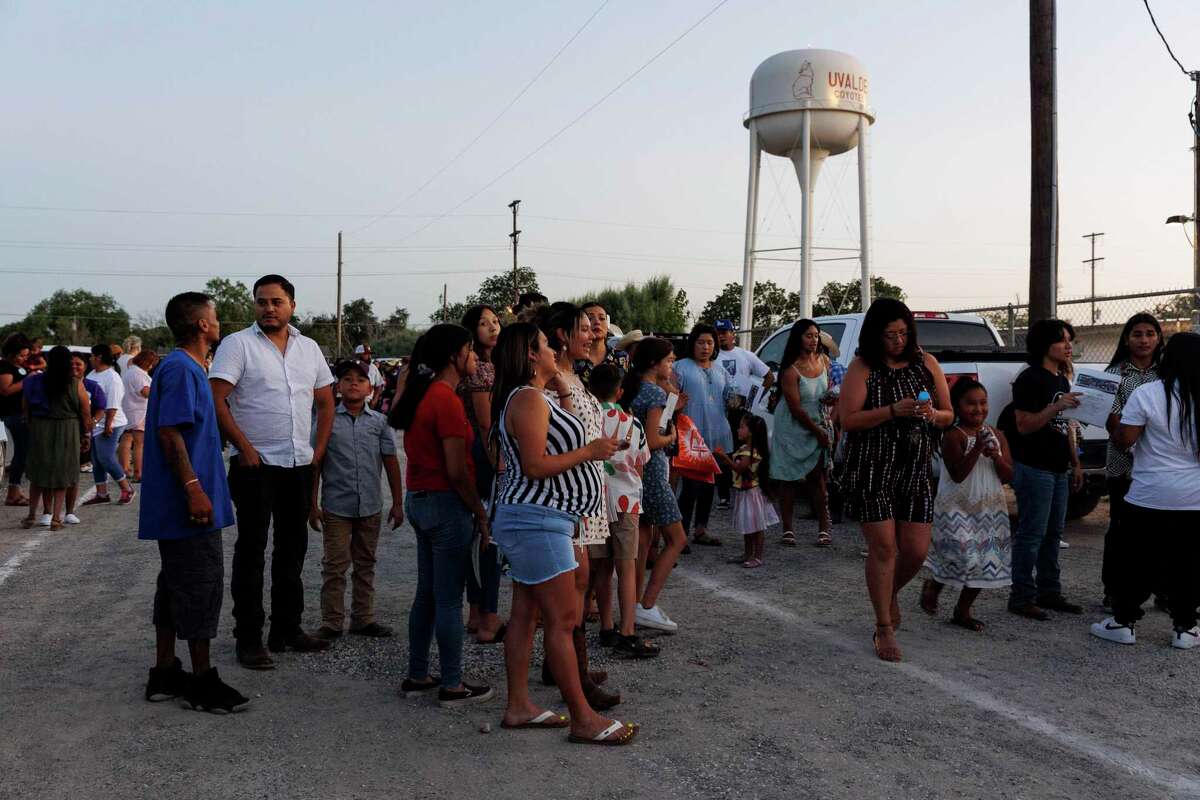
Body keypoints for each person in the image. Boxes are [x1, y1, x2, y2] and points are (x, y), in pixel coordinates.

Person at [488, 322, 635, 744]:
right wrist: (590, 452)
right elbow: (534, 464)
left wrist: (559, 385)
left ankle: (519, 705)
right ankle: (583, 718)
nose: (555, 349)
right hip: (538, 517)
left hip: (538, 517)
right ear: (531, 355)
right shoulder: (530, 399)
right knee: (561, 619)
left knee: (525, 615)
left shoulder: (534, 395)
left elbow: (560, 434)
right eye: (546, 345)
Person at [210, 274, 335, 669]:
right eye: (262, 302)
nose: (269, 308)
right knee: (251, 551)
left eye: (276, 301)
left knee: (292, 550)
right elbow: (216, 400)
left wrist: (318, 450)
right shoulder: (237, 345)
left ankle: (287, 628)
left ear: (291, 306)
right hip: (256, 466)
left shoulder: (309, 348)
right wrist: (244, 447)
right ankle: (248, 638)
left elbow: (325, 402)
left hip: (298, 465)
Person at [139, 292, 247, 712]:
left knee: (174, 585)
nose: (218, 322)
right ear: (203, 325)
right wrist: (193, 486)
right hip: (188, 503)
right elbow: (171, 433)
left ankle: (165, 671)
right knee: (201, 584)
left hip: (182, 500)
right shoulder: (183, 369)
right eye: (215, 316)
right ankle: (202, 681)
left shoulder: (183, 367)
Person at [837, 298, 952, 662]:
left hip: (915, 467)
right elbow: (848, 420)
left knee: (916, 551)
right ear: (876, 335)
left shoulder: (926, 363)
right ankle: (883, 627)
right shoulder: (862, 367)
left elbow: (949, 415)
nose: (898, 341)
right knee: (885, 548)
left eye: (903, 333)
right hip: (873, 466)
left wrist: (932, 414)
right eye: (889, 335)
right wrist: (890, 411)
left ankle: (886, 596)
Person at [390, 324, 494, 707]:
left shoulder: (422, 395)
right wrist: (479, 512)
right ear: (455, 355)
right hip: (446, 503)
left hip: (420, 501)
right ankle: (452, 683)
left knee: (428, 595)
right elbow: (457, 471)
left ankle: (418, 672)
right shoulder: (446, 400)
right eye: (469, 351)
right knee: (450, 599)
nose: (473, 357)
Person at [1091, 332, 1200, 650]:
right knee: (1189, 563)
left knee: (1137, 560)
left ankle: (1123, 622)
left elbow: (1124, 440)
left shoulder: (1147, 393)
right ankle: (1185, 628)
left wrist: (1113, 421)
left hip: (1149, 494)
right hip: (1193, 497)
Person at [536, 303, 619, 709]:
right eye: (584, 329)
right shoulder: (553, 382)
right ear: (562, 335)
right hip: (566, 495)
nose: (593, 335)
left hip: (585, 491)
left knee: (578, 584)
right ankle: (576, 675)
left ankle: (563, 665)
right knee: (574, 583)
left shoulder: (573, 375)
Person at [310, 360, 404, 642]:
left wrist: (398, 503)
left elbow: (391, 463)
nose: (353, 383)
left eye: (360, 379)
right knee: (335, 565)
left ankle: (363, 619)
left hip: (370, 506)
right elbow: (315, 463)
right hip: (336, 507)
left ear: (370, 387)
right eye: (347, 379)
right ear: (337, 387)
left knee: (365, 563)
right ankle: (332, 621)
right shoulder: (325, 422)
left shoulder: (379, 422)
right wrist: (311, 504)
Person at [1004, 319, 1084, 622]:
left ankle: (1049, 592)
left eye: (1069, 340)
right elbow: (1023, 426)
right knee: (1031, 534)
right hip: (1034, 467)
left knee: (1053, 534)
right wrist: (1055, 407)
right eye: (1061, 340)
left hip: (1058, 467)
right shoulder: (1030, 379)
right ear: (1043, 344)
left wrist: (1075, 463)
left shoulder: (1061, 381)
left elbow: (1067, 427)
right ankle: (1021, 596)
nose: (1068, 346)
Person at [919, 379, 1013, 631]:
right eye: (970, 403)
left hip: (988, 507)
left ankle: (963, 609)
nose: (978, 409)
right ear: (958, 407)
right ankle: (935, 584)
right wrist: (978, 448)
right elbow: (958, 473)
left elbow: (1007, 475)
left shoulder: (998, 434)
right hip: (957, 508)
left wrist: (996, 456)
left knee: (985, 560)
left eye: (983, 403)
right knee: (962, 554)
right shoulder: (953, 436)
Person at [587, 364, 659, 658]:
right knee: (626, 567)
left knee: (601, 568)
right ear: (620, 392)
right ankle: (627, 629)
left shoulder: (587, 417)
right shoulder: (633, 424)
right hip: (626, 500)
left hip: (594, 500)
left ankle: (605, 626)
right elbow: (641, 462)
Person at [619, 337, 688, 633]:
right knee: (677, 539)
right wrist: (672, 437)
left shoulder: (631, 388)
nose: (672, 366)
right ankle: (646, 604)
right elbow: (654, 438)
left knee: (642, 541)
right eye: (669, 360)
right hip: (654, 472)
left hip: (633, 473)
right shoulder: (653, 393)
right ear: (653, 363)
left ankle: (633, 605)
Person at [1100, 313, 1163, 609]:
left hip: (1158, 466)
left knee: (1160, 533)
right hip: (1123, 464)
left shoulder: (1166, 373)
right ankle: (1114, 590)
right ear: (1127, 339)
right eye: (1137, 334)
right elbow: (1112, 419)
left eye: (1150, 333)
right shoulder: (1114, 373)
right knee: (1122, 531)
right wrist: (1129, 444)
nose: (1144, 340)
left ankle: (1164, 591)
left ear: (1159, 338)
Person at [458, 304, 505, 644]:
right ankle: (487, 614)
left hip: (475, 456)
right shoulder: (483, 370)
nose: (492, 327)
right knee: (488, 537)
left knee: (477, 537)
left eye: (496, 321)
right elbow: (487, 425)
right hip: (484, 457)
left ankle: (476, 611)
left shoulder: (489, 365)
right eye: (484, 323)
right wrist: (500, 465)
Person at [770, 319, 834, 547]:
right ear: (798, 338)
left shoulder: (824, 360)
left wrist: (831, 401)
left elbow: (828, 391)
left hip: (817, 423)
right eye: (808, 335)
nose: (813, 340)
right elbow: (795, 408)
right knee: (789, 480)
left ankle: (824, 529)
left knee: (818, 478)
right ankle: (788, 529)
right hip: (792, 428)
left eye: (816, 335)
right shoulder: (791, 370)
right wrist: (816, 430)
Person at [672, 323, 734, 546]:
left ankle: (701, 529)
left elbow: (730, 397)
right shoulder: (679, 368)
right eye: (700, 342)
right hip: (690, 436)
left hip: (717, 433)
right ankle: (680, 535)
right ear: (692, 344)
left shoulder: (720, 370)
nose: (705, 347)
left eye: (709, 342)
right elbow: (670, 400)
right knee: (690, 487)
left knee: (709, 485)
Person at [20, 346, 91, 530]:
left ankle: (31, 515)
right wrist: (86, 434)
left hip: (40, 428)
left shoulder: (34, 381)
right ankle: (57, 519)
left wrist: (31, 427)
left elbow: (25, 408)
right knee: (63, 473)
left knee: (38, 474)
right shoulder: (76, 383)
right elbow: (85, 412)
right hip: (68, 429)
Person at [713, 319, 774, 510]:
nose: (721, 336)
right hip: (719, 411)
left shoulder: (745, 355)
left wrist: (757, 399)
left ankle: (747, 488)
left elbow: (769, 376)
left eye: (725, 332)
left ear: (733, 334)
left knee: (745, 450)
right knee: (723, 451)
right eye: (718, 332)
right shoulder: (712, 357)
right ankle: (724, 495)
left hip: (742, 411)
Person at [81, 343, 136, 506]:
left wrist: (108, 425)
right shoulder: (92, 374)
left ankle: (127, 488)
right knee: (96, 459)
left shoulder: (112, 377)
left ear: (98, 357)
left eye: (92, 356)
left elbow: (112, 404)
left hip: (112, 422)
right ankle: (102, 493)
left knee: (106, 457)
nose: (90, 359)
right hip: (96, 423)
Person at [729, 412, 778, 568]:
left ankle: (757, 556)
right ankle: (747, 553)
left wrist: (724, 459)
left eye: (742, 427)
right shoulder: (746, 448)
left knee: (756, 526)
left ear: (751, 432)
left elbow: (740, 468)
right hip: (746, 493)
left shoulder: (751, 452)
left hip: (752, 494)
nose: (738, 430)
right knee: (748, 525)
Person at [64, 352, 107, 523]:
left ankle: (69, 510)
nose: (74, 367)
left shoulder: (93, 386)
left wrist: (91, 423)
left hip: (81, 434)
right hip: (62, 431)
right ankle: (48, 511)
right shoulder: (60, 384)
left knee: (73, 472)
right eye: (71, 364)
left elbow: (101, 408)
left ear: (85, 366)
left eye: (78, 364)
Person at [119, 349, 158, 483]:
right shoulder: (139, 374)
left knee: (126, 439)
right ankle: (139, 472)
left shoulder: (129, 372)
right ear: (148, 363)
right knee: (139, 444)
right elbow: (145, 392)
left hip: (128, 409)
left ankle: (124, 469)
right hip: (139, 411)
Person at [2, 333, 31, 507]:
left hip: (20, 414)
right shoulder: (5, 367)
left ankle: (16, 491)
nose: (24, 358)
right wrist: (28, 381)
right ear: (11, 353)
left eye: (26, 355)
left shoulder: (15, 366)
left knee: (22, 453)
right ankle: (12, 492)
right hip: (13, 415)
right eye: (21, 355)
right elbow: (5, 390)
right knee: (21, 453)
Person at [575, 302, 630, 386]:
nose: (597, 322)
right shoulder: (574, 360)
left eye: (602, 318)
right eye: (590, 318)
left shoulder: (622, 357)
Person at [353, 344, 386, 408]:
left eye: (370, 354)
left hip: (367, 402)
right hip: (351, 401)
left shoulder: (373, 367)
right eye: (366, 354)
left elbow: (379, 385)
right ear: (359, 355)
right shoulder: (350, 366)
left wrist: (375, 399)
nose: (369, 356)